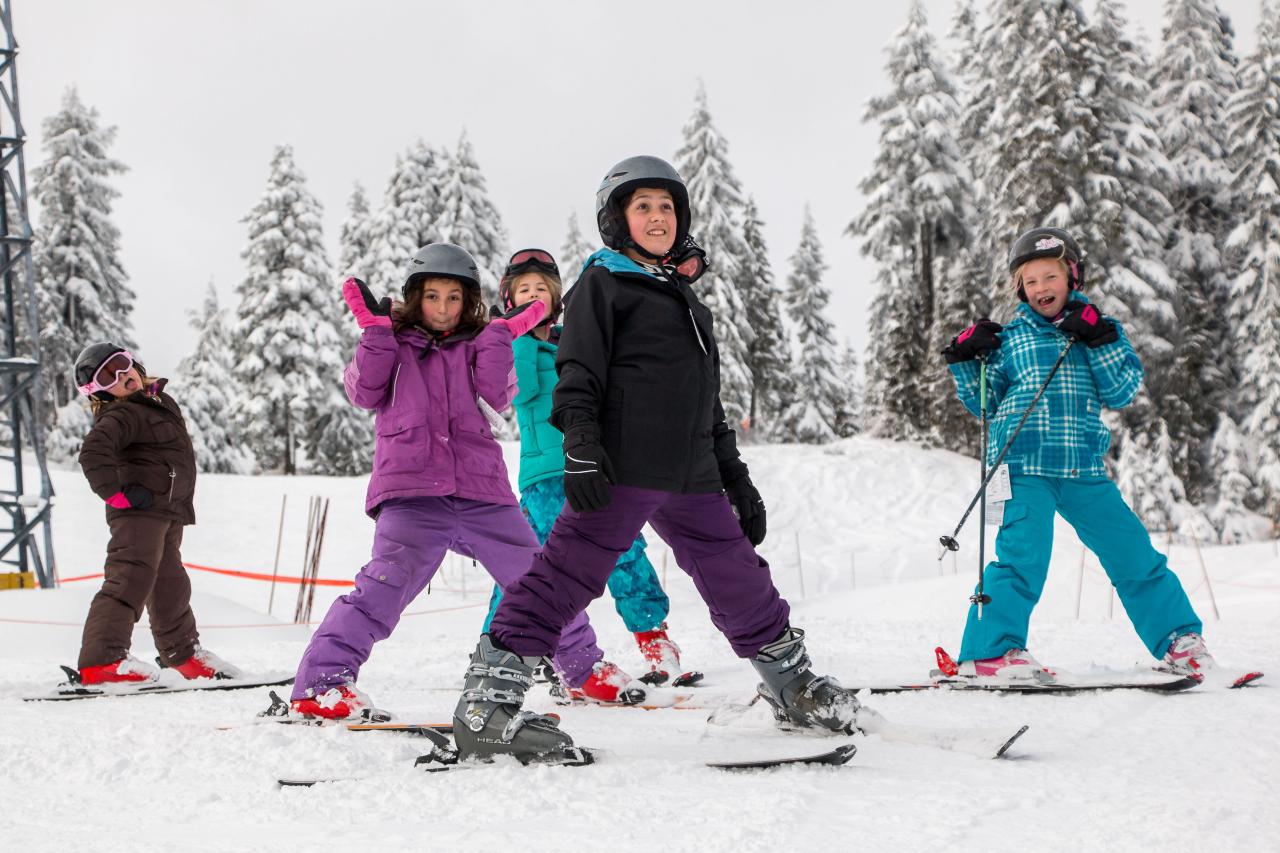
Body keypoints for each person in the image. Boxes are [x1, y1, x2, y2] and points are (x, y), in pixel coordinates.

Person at [450, 156, 861, 764]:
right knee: (566, 575)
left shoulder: (688, 303)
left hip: (692, 472)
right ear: (618, 219)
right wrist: (583, 446)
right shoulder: (603, 283)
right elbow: (578, 371)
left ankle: (792, 685)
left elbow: (709, 403)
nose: (657, 216)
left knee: (738, 575)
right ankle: (486, 705)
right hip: (623, 464)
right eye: (642, 206)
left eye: (666, 206)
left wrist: (736, 479)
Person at [290, 243, 632, 719]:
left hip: (481, 493)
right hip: (411, 494)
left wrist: (495, 342)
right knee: (383, 587)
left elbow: (498, 397)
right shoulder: (393, 341)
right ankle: (321, 685)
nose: (444, 309)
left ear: (468, 301)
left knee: (540, 579)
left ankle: (583, 669)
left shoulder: (478, 342)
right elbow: (364, 393)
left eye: (455, 298)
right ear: (415, 297)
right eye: (433, 297)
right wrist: (376, 335)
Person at [941, 226, 1210, 682]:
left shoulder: (1099, 333)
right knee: (1022, 557)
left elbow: (1122, 390)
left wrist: (1098, 339)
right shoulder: (1010, 340)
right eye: (1031, 281)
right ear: (1020, 289)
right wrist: (966, 359)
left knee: (1132, 553)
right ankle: (990, 652)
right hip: (1022, 464)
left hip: (1083, 468)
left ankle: (1179, 642)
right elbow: (984, 404)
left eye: (1050, 276)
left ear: (1072, 276)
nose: (1041, 288)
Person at [480, 247, 701, 693]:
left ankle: (655, 641)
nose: (533, 297)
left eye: (542, 290)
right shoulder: (511, 346)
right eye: (523, 291)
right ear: (509, 300)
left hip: (593, 467)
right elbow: (520, 394)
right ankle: (498, 648)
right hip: (545, 480)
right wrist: (516, 333)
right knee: (530, 569)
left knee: (625, 551)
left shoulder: (573, 340)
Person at [73, 342, 242, 685]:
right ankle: (102, 660)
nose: (122, 376)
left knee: (169, 583)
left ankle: (182, 654)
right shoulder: (123, 413)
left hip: (166, 510)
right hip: (138, 512)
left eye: (121, 365)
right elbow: (93, 453)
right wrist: (117, 496)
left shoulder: (154, 402)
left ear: (134, 362)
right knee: (130, 578)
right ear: (101, 394)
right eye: (108, 377)